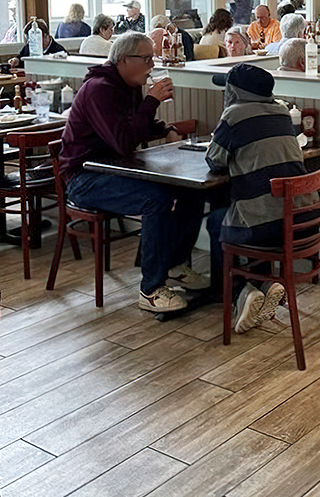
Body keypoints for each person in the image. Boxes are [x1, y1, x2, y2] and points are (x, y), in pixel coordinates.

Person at [58, 32, 209, 313]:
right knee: (155, 199)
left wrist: (165, 129)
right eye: (146, 58)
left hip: (114, 170)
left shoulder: (126, 85)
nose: (152, 65)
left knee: (192, 191)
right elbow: (124, 140)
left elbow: (136, 124)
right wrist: (151, 100)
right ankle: (150, 289)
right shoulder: (99, 89)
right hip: (83, 177)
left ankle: (174, 265)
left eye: (152, 58)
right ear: (124, 60)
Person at [206, 63, 301, 332]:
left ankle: (239, 292)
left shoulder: (234, 115)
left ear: (235, 92)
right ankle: (265, 284)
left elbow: (215, 160)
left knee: (217, 221)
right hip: (299, 221)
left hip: (265, 226)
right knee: (255, 207)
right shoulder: (282, 112)